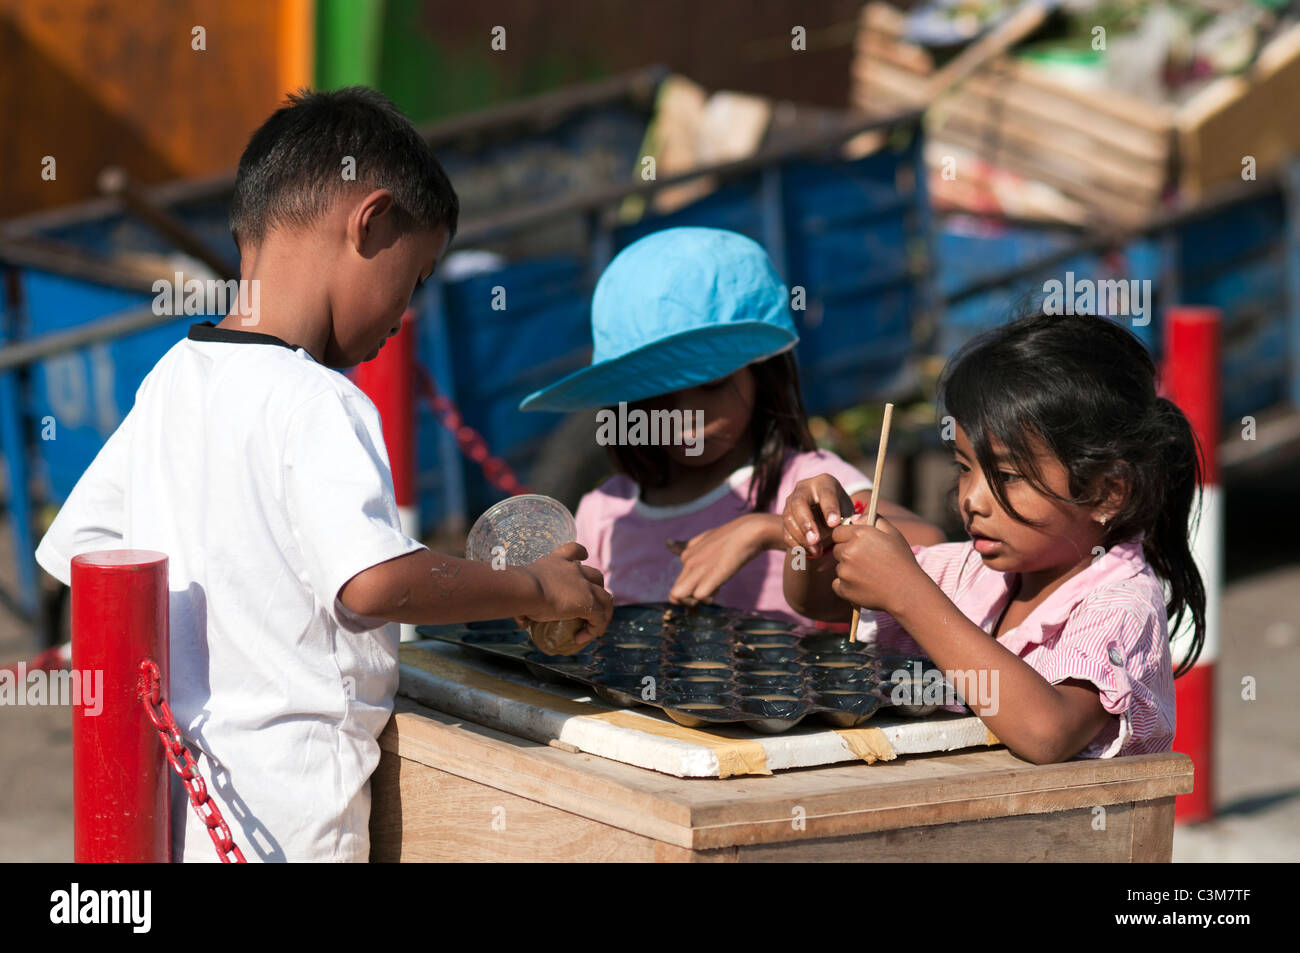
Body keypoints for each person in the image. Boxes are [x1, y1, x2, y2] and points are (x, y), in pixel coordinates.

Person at [35, 87, 611, 862]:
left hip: (181, 809)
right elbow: (371, 583)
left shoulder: (173, 378)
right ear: (371, 223)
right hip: (290, 822)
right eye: (412, 281)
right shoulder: (319, 399)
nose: (403, 316)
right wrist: (535, 588)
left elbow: (90, 553)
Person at [784, 312, 1205, 763]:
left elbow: (1047, 732)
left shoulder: (1120, 605)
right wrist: (816, 542)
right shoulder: (967, 570)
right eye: (965, 468)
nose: (972, 499)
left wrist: (909, 594)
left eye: (1006, 475)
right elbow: (820, 601)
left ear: (1107, 491)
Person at [520, 227, 943, 624]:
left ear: (763, 377)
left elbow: (929, 541)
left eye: (713, 387)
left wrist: (770, 530)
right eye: (657, 398)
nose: (684, 418)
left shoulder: (807, 484)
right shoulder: (604, 512)